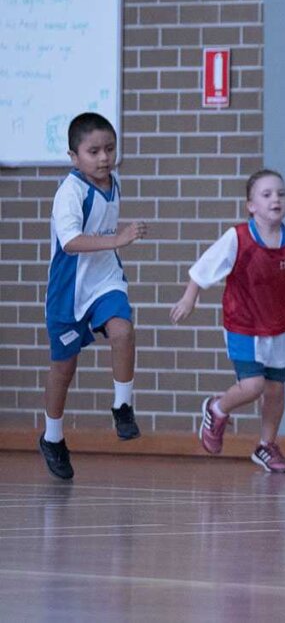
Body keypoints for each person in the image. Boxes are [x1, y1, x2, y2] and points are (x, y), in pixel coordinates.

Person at [170, 169, 285, 473]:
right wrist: (189, 298)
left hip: (277, 327)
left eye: (280, 193)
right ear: (251, 205)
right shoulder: (238, 237)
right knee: (253, 386)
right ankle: (217, 408)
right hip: (242, 325)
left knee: (276, 391)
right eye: (266, 195)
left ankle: (266, 445)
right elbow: (203, 268)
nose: (275, 199)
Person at [40, 112, 148, 480]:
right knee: (63, 369)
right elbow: (70, 242)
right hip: (69, 290)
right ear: (74, 157)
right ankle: (52, 438)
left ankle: (122, 406)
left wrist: (115, 244)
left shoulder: (113, 182)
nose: (104, 158)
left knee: (123, 332)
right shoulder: (70, 192)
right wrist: (118, 238)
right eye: (94, 151)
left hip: (104, 280)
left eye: (110, 149)